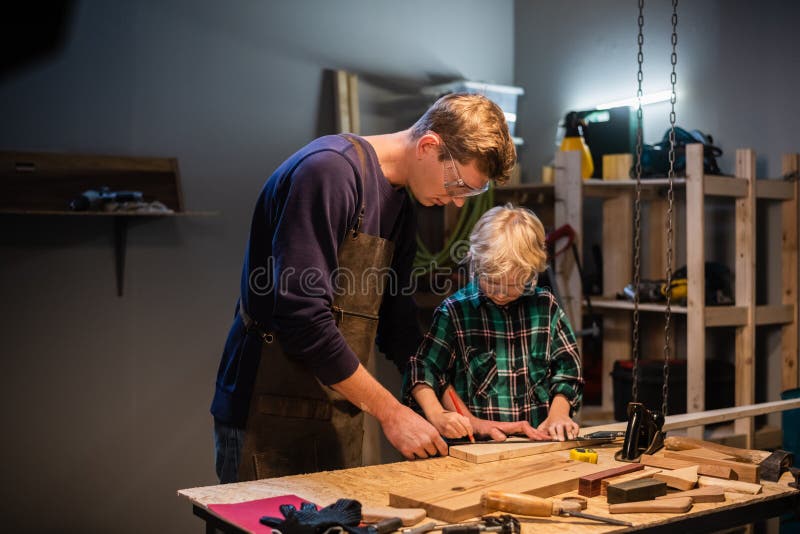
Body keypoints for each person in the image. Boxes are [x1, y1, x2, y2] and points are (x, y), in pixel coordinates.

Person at [211, 93, 517, 482]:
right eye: (458, 184)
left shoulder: (401, 205)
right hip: (264, 412)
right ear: (428, 145)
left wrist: (445, 405)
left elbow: (398, 326)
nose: (458, 202)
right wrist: (392, 413)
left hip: (337, 412)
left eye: (469, 194)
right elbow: (303, 318)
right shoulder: (328, 173)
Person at [403, 204, 583, 443]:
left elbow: (568, 371)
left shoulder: (545, 307)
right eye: (492, 283)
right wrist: (438, 415)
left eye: (511, 286)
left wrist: (558, 415)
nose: (500, 293)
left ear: (531, 273)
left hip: (536, 443)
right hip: (476, 447)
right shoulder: (455, 312)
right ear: (476, 266)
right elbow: (422, 369)